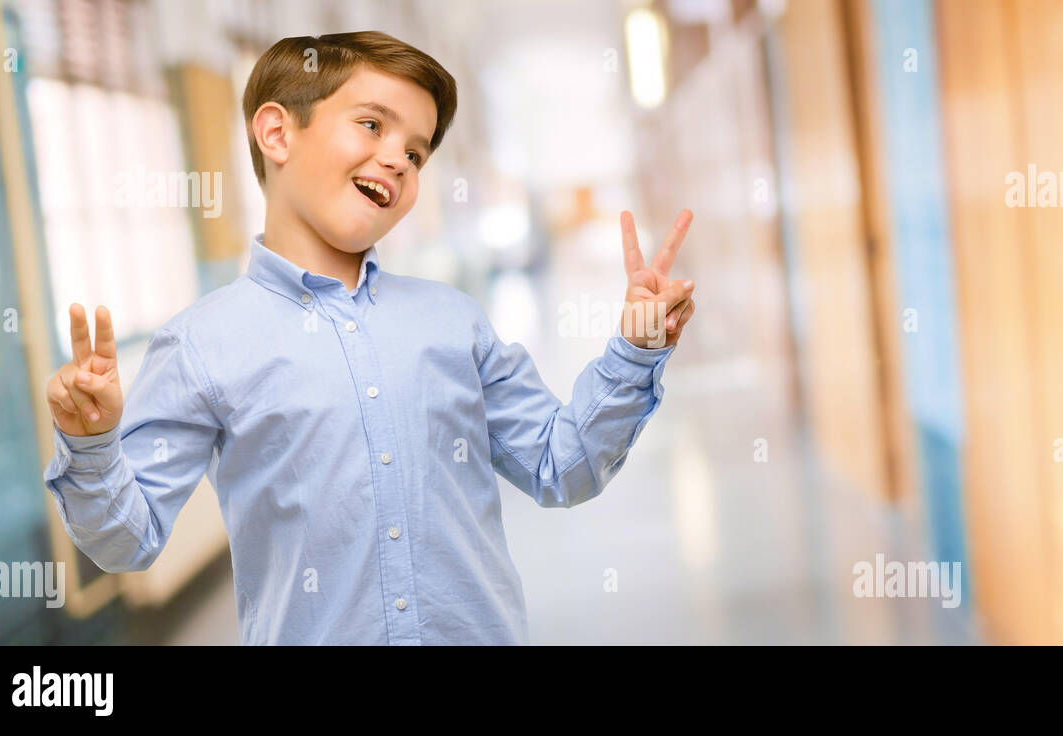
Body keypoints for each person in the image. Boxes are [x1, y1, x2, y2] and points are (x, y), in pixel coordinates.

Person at [42, 31, 697, 645]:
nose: (398, 159)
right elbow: (128, 543)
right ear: (276, 132)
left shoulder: (453, 323)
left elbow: (565, 467)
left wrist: (635, 350)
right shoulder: (201, 347)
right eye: (372, 124)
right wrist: (93, 446)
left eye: (416, 151)